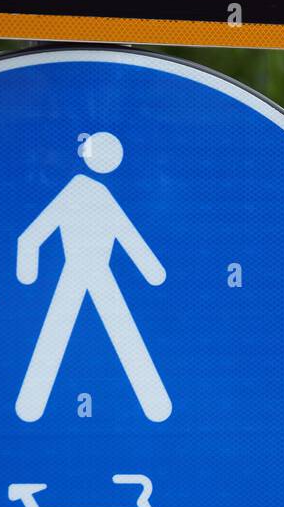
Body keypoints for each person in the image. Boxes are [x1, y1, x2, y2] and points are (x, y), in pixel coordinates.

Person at [15, 132, 171, 422]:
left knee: (111, 332)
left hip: (97, 272)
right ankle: (30, 407)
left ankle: (156, 406)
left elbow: (127, 235)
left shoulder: (97, 194)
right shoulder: (80, 192)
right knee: (71, 333)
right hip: (78, 270)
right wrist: (27, 270)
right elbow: (33, 235)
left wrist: (153, 271)